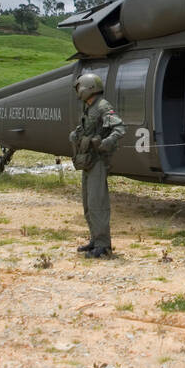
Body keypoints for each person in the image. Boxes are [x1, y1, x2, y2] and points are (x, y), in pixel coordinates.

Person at [68, 72, 125, 258]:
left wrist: (106, 142)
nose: (78, 91)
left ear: (87, 88)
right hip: (88, 161)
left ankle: (103, 245)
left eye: (79, 88)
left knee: (97, 203)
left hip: (98, 161)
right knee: (88, 202)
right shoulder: (89, 107)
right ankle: (95, 239)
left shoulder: (102, 106)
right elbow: (87, 128)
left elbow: (119, 128)